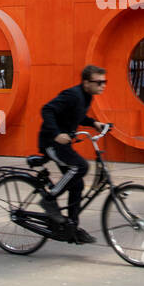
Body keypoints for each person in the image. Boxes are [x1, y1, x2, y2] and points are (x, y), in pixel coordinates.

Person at [36, 64, 109, 244]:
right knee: (81, 167)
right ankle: (49, 199)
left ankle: (71, 228)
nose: (102, 85)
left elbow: (77, 116)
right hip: (51, 143)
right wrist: (56, 134)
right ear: (86, 82)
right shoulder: (72, 95)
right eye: (98, 82)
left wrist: (94, 123)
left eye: (104, 82)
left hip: (63, 144)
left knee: (77, 184)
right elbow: (47, 109)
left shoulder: (86, 97)